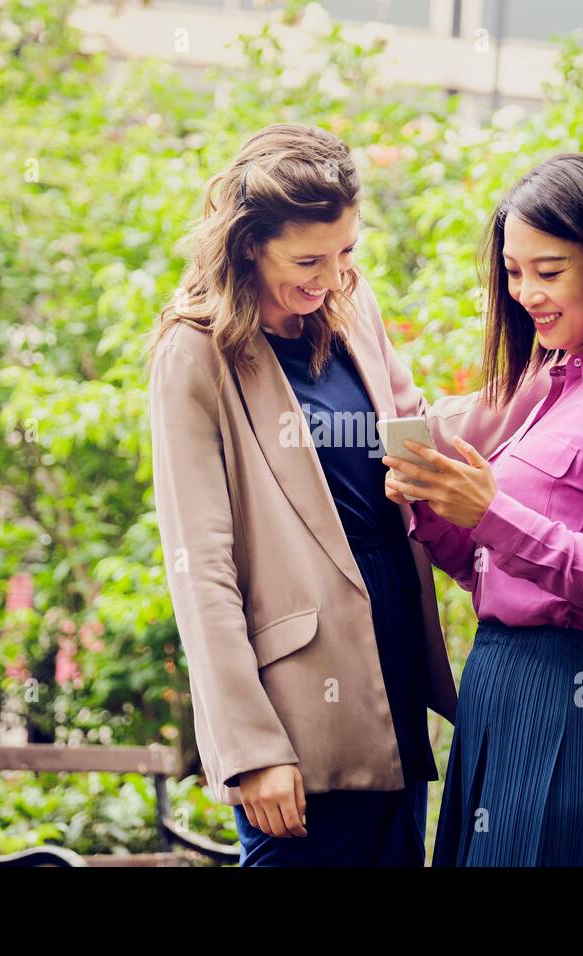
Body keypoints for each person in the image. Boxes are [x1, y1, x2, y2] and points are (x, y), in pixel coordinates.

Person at [147, 123, 553, 866]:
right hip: (298, 706)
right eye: (308, 260)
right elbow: (197, 566)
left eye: (346, 253)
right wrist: (249, 749)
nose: (331, 278)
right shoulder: (194, 354)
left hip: (392, 662)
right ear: (246, 244)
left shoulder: (348, 304)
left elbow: (413, 438)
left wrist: (541, 382)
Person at [384, 153, 583, 866]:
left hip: (565, 699)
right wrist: (435, 508)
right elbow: (497, 567)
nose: (526, 292)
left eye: (548, 271)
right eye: (514, 271)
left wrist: (491, 511)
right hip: (496, 684)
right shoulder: (555, 391)